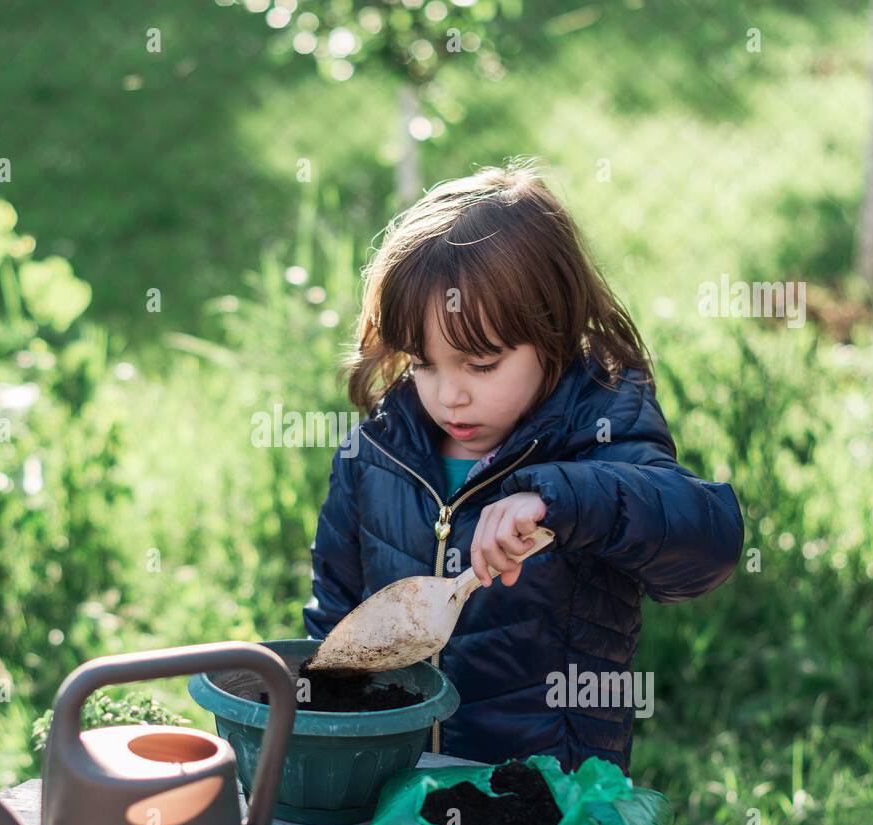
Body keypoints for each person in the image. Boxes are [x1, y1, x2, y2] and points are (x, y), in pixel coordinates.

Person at [304, 158, 744, 773]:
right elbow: (338, 624)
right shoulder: (379, 451)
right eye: (423, 363)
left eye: (480, 365)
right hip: (391, 789)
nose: (448, 395)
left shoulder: (595, 431)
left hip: (546, 795)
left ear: (553, 333)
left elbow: (709, 542)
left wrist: (564, 500)